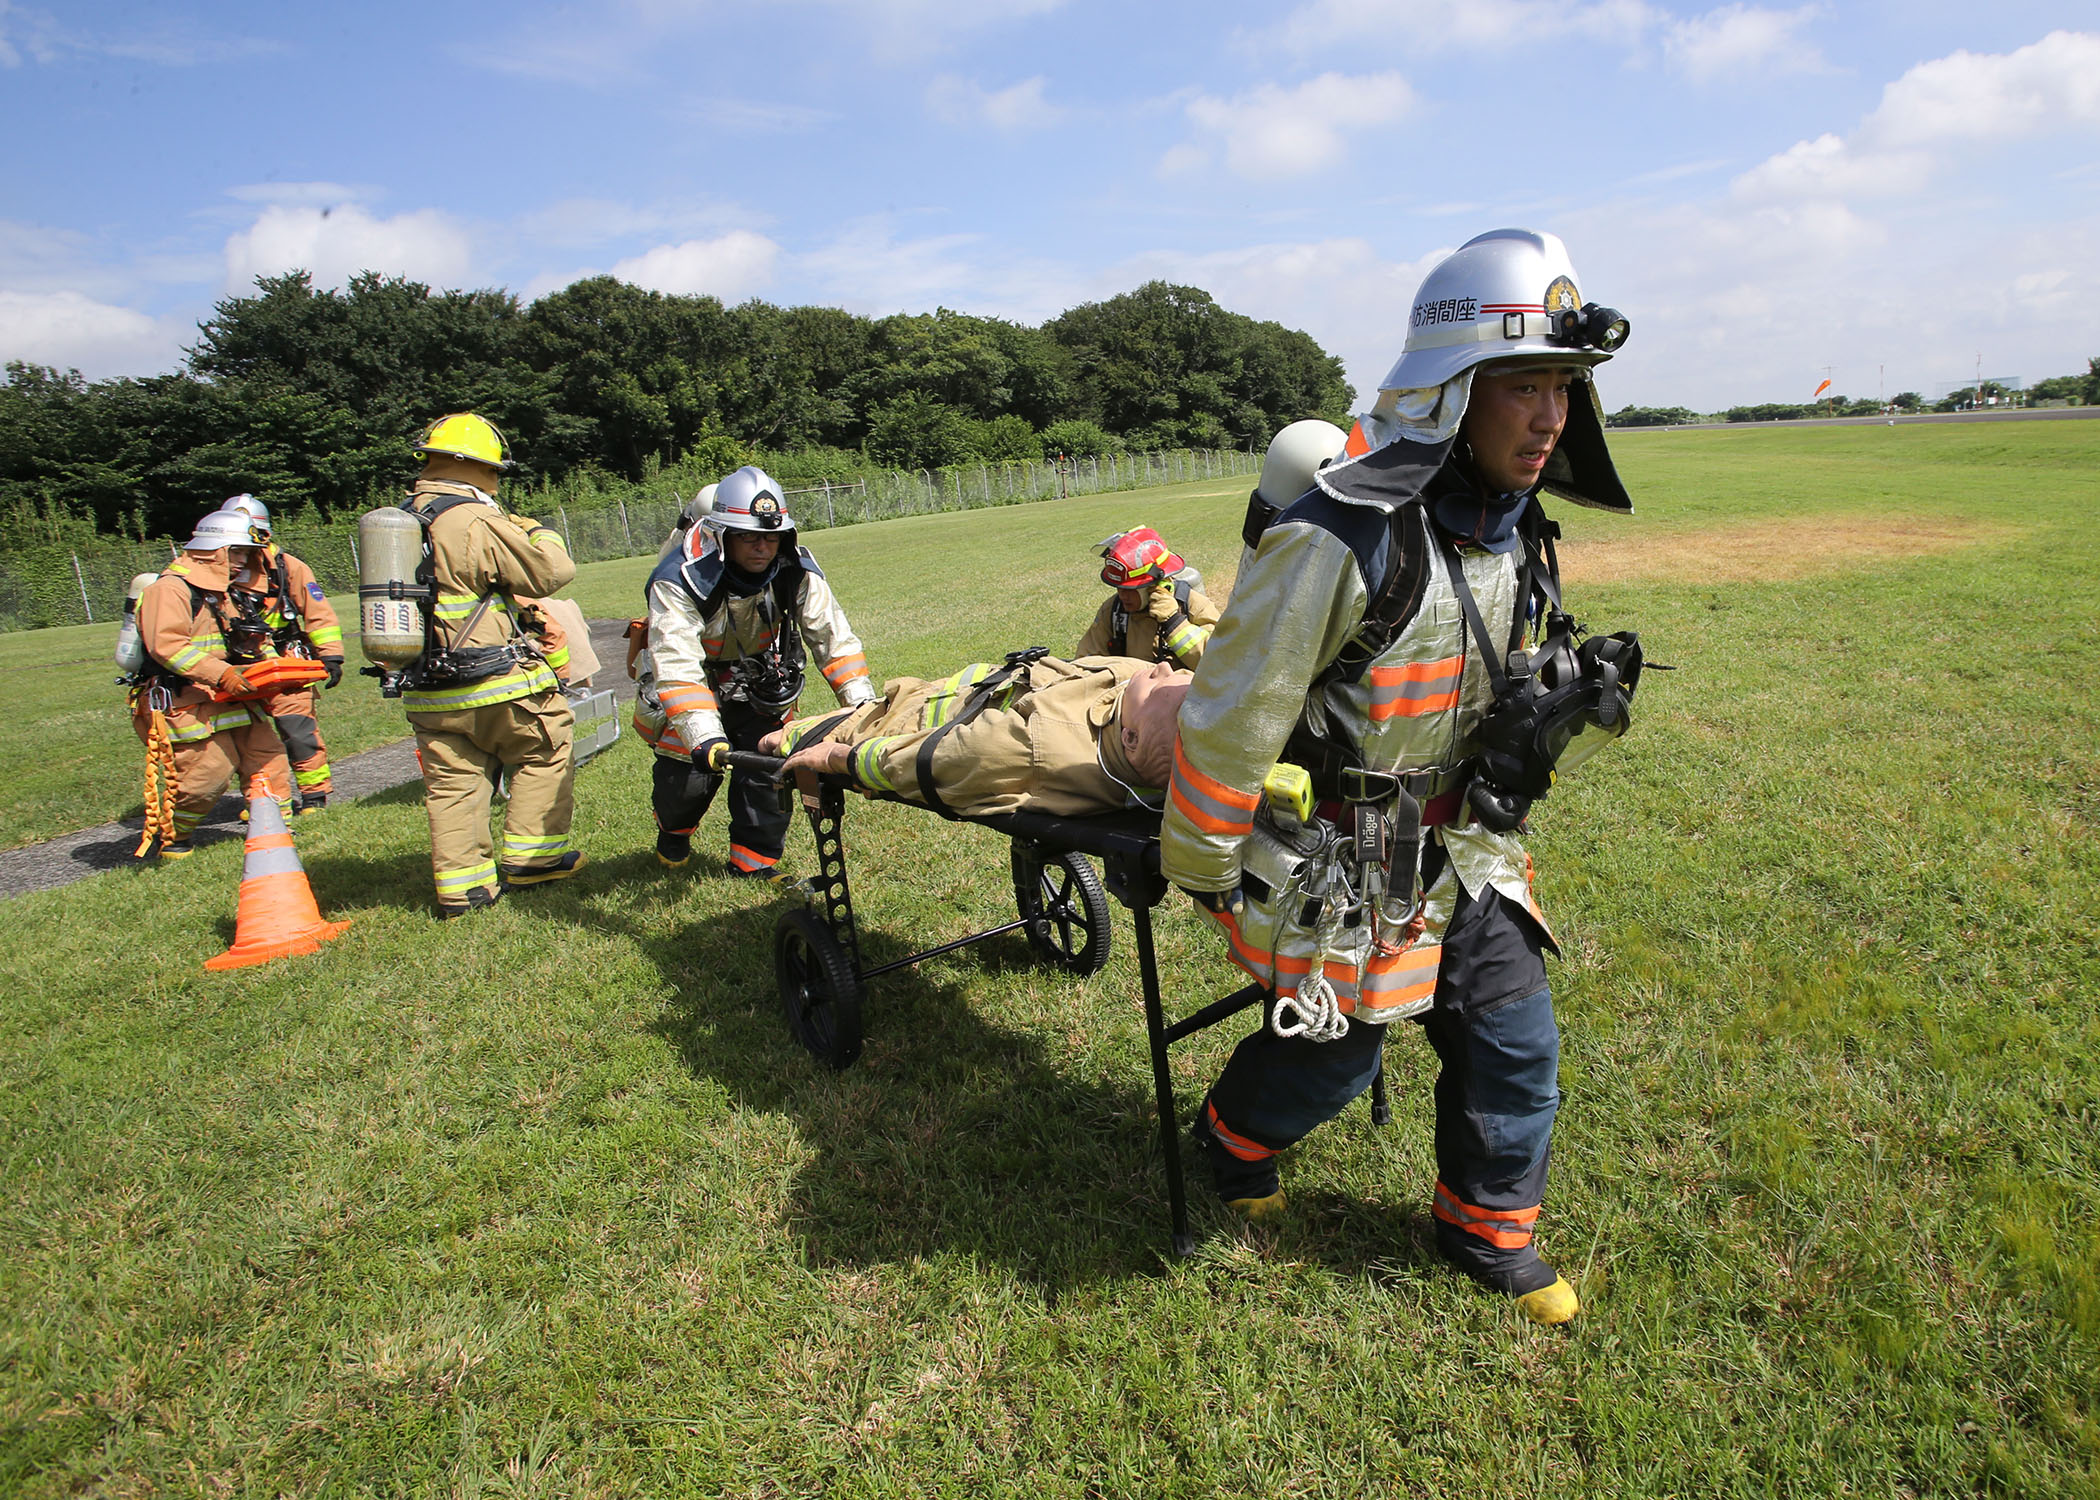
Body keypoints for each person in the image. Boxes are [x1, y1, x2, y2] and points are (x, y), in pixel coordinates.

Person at [1161, 229, 1639, 1326]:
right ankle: (1231, 1140)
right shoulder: (1340, 536)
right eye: (1523, 385)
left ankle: (1487, 1231)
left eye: (1564, 387)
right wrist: (1202, 865)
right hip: (1346, 867)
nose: (1551, 417)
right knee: (1334, 1063)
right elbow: (1233, 715)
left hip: (1470, 849)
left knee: (1515, 1040)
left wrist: (1553, 715)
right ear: (1451, 390)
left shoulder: (1517, 531)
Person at [636, 465, 873, 881]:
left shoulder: (796, 569)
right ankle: (673, 832)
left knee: (770, 769)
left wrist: (863, 709)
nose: (762, 547)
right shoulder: (679, 578)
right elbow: (677, 663)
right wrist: (704, 735)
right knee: (688, 779)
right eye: (748, 537)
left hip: (760, 679)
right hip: (696, 681)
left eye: (771, 537)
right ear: (722, 535)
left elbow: (834, 639)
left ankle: (753, 865)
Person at [397, 412, 582, 919]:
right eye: (494, 470)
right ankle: (534, 860)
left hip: (426, 687)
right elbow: (551, 573)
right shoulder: (471, 519)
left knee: (453, 784)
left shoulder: (400, 520)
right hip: (493, 680)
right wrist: (539, 531)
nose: (496, 479)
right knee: (545, 748)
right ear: (475, 466)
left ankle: (464, 891)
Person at [762, 654, 1190, 818]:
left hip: (906, 724)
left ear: (1131, 739)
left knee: (774, 742)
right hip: (964, 690)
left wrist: (839, 758)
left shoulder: (1038, 745)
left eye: (1158, 687)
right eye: (1178, 675)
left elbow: (931, 761)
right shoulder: (1134, 693)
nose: (1163, 668)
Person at [128, 507, 295, 857]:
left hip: (236, 698)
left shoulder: (224, 593)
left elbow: (245, 641)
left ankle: (276, 834)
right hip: (189, 700)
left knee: (269, 760)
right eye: (237, 552)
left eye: (247, 554)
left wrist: (278, 672)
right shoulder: (169, 590)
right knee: (207, 776)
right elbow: (168, 647)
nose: (243, 562)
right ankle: (173, 835)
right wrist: (222, 674)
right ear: (213, 551)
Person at [219, 494, 345, 813]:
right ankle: (266, 801)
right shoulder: (211, 572)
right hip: (237, 669)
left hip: (286, 664)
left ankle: (314, 796)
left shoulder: (287, 568)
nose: (245, 552)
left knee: (298, 730)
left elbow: (318, 612)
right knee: (250, 741)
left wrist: (331, 656)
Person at [1075, 528, 1219, 669]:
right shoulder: (1112, 610)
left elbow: (1219, 664)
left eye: (1130, 589)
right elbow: (1085, 661)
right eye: (1118, 587)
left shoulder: (1194, 606)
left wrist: (1174, 622)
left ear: (1157, 584)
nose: (1122, 595)